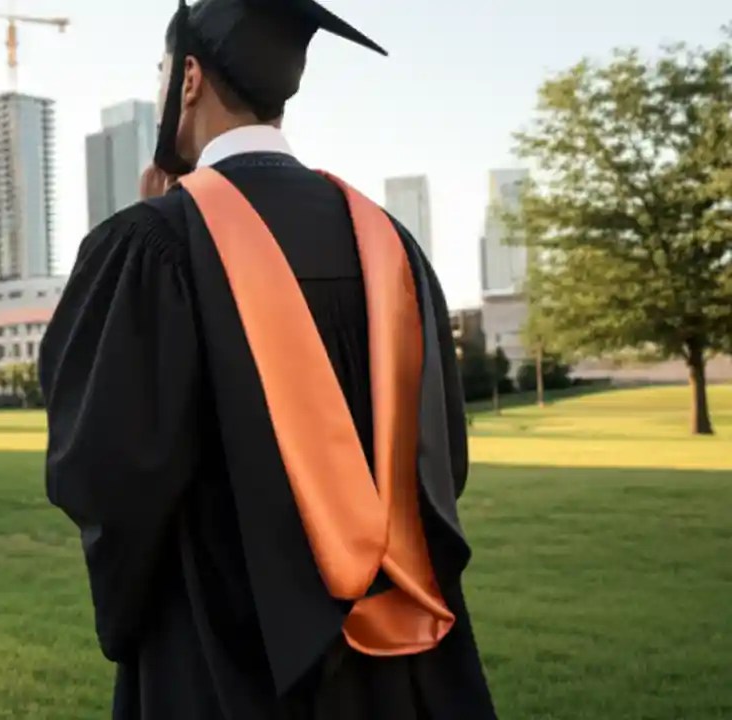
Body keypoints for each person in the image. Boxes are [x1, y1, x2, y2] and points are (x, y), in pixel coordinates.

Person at [39, 0, 497, 717]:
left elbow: (102, 472)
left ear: (188, 78)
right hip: (399, 669)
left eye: (162, 71)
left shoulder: (153, 246)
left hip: (215, 666)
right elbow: (442, 462)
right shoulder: (391, 245)